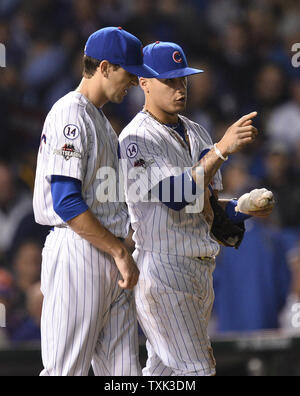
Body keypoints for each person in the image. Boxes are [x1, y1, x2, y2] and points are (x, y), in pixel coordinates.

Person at [119, 41, 273, 376]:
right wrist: (221, 149)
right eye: (169, 81)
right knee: (198, 372)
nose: (179, 88)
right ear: (144, 82)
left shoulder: (196, 130)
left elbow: (208, 213)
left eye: (183, 80)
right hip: (164, 271)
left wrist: (243, 207)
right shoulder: (135, 139)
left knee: (162, 374)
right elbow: (175, 195)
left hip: (199, 271)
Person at [33, 27, 158, 376]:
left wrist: (124, 247)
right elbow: (67, 202)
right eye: (129, 73)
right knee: (65, 371)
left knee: (123, 375)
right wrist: (119, 252)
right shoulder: (69, 114)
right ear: (104, 67)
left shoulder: (100, 120)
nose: (133, 82)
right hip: (79, 252)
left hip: (111, 254)